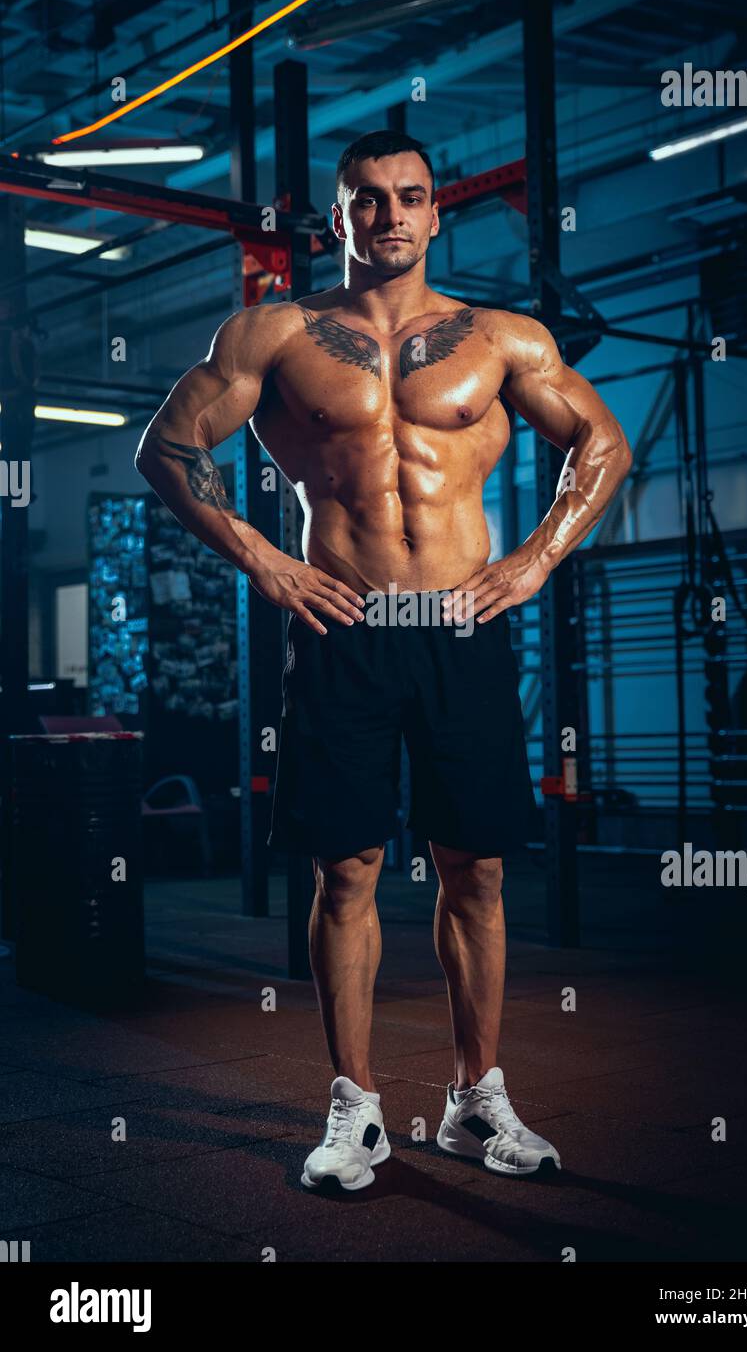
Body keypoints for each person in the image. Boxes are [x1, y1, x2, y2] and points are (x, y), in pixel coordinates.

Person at [135, 129, 632, 1190]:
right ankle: (354, 1111)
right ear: (339, 215)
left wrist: (539, 560)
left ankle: (474, 1099)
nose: (390, 215)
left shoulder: (501, 339)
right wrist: (265, 559)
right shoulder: (275, 334)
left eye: (410, 197)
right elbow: (167, 446)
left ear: (437, 212)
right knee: (345, 867)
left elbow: (603, 444)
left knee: (479, 868)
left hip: (461, 626)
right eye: (369, 198)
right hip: (342, 625)